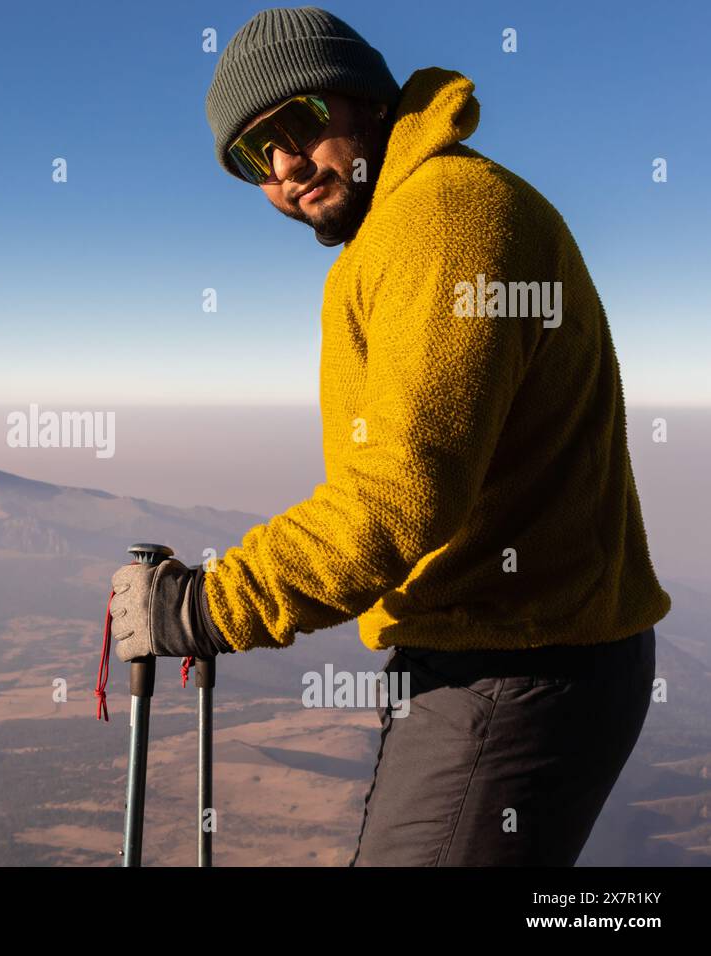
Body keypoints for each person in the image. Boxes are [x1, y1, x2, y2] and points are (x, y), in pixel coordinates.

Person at [108, 6, 669, 866]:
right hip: (507, 658)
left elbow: (397, 496)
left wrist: (202, 605)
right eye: (256, 156)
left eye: (297, 124)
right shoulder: (411, 223)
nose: (287, 166)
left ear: (365, 100)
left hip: (512, 668)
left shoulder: (441, 220)